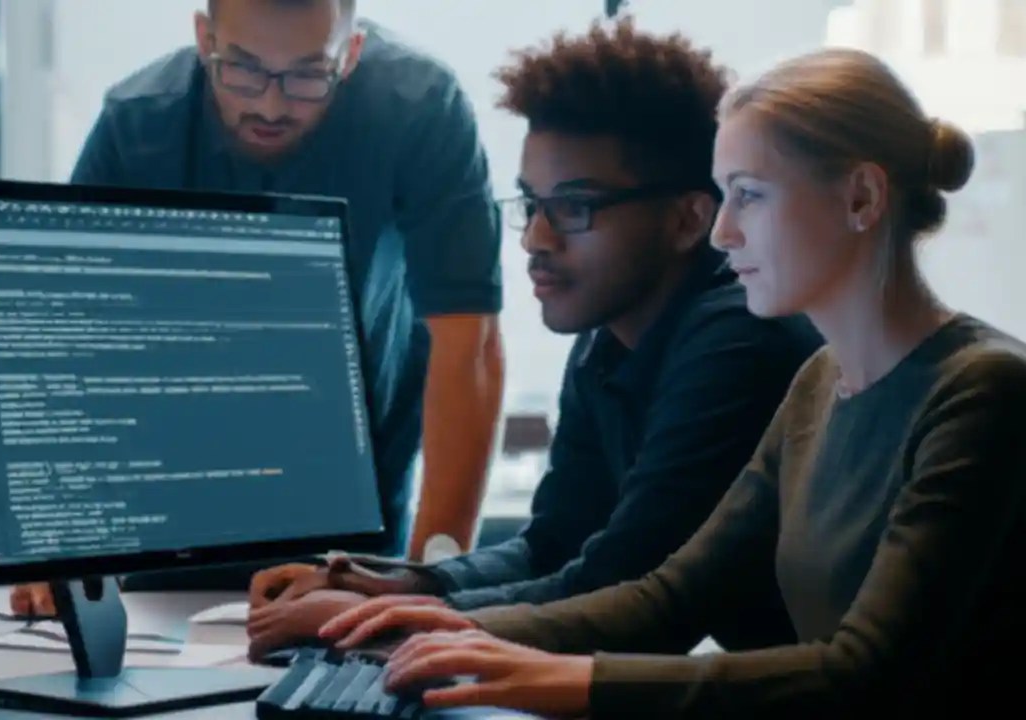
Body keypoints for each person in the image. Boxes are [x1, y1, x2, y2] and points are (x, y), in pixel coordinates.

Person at [316, 46, 1026, 717]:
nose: (722, 234)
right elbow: (674, 593)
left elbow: (863, 671)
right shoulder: (820, 379)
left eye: (748, 196)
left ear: (862, 199)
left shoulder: (981, 391)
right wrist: (437, 623)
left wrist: (574, 678)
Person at [245, 20, 823, 659]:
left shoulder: (739, 340)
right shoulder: (608, 337)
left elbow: (623, 593)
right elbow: (556, 543)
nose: (535, 240)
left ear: (688, 218)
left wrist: (389, 615)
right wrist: (402, 581)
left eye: (573, 207)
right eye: (530, 203)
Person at [9, 0, 507, 616]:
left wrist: (434, 581)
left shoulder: (421, 109)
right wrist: (60, 544)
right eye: (242, 70)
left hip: (351, 525)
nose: (270, 105)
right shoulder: (137, 124)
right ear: (203, 38)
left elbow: (470, 347)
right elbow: (66, 342)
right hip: (164, 509)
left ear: (350, 54)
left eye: (306, 75)